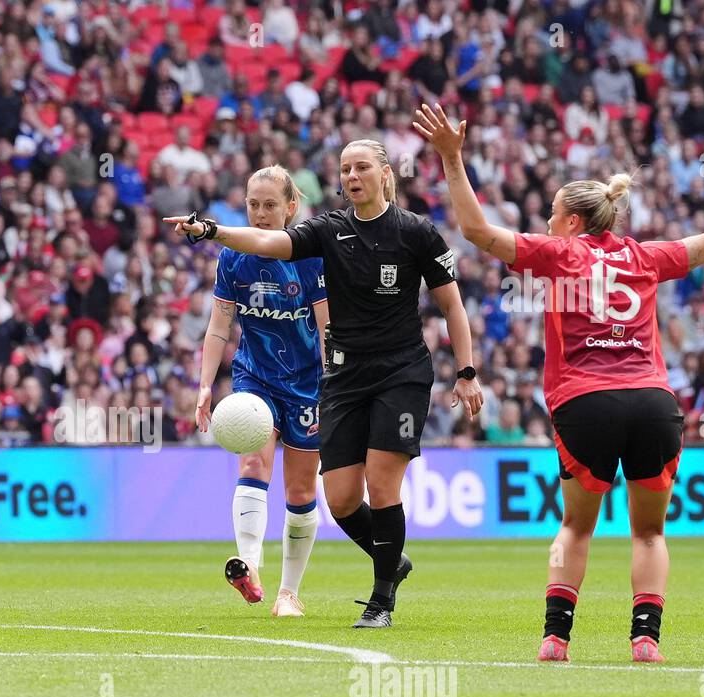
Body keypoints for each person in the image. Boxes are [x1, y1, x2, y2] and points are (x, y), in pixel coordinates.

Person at [415, 102, 704, 663]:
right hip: (651, 401)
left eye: (551, 213)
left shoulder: (557, 253)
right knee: (649, 533)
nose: (546, 221)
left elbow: (473, 230)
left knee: (575, 526)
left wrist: (451, 156)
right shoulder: (645, 257)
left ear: (572, 222)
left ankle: (556, 639)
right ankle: (645, 641)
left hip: (586, 402)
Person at [167, 138, 483, 628]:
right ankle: (390, 560)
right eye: (344, 169)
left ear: (384, 173)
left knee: (381, 484)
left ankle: (380, 601)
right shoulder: (329, 231)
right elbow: (270, 243)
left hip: (400, 373)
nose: (351, 176)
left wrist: (466, 371)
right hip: (345, 378)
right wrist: (213, 230)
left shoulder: (416, 232)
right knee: (338, 498)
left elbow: (452, 306)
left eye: (361, 168)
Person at [195, 165, 330, 617]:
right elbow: (219, 328)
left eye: (270, 205)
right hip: (255, 376)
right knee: (252, 460)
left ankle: (289, 592)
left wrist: (334, 384)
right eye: (253, 204)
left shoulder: (309, 254)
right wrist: (204, 387)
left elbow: (328, 328)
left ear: (291, 207)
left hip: (308, 382)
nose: (260, 213)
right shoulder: (233, 256)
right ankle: (249, 566)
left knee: (299, 488)